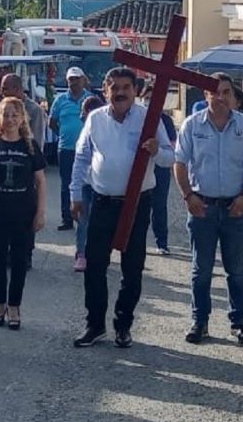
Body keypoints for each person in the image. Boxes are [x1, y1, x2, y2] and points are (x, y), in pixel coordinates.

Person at [70, 67, 173, 349]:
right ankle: (95, 324)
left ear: (135, 90)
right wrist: (75, 195)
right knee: (94, 265)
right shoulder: (95, 119)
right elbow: (81, 158)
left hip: (137, 204)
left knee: (132, 268)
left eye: (126, 87)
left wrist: (156, 151)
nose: (120, 92)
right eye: (114, 87)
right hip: (102, 202)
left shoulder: (148, 119)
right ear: (105, 91)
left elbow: (170, 156)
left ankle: (123, 325)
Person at [174, 73, 243, 346]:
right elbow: (179, 162)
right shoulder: (191, 125)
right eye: (215, 92)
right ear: (205, 95)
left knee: (235, 269)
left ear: (233, 96)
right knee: (201, 269)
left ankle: (239, 323)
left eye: (225, 92)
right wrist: (188, 196)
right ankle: (200, 322)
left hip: (235, 207)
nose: (220, 97)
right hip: (203, 208)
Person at [0, 98, 46, 330]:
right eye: (6, 114)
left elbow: (41, 181)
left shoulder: (30, 146)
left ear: (22, 118)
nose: (10, 119)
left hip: (23, 210)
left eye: (15, 115)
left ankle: (14, 305)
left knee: (18, 260)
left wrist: (40, 213)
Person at [139, 81, 179, 256]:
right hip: (140, 167)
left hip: (160, 167)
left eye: (152, 99)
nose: (149, 102)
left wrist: (158, 151)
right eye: (146, 98)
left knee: (159, 205)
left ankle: (161, 242)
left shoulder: (166, 121)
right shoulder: (137, 117)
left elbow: (171, 146)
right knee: (140, 206)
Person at [51, 67, 92, 232]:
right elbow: (52, 122)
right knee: (66, 184)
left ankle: (85, 216)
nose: (73, 82)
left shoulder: (91, 99)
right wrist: (62, 133)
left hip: (87, 150)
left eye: (76, 79)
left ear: (83, 80)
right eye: (70, 79)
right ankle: (66, 219)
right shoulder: (60, 100)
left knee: (87, 183)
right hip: (66, 149)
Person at [72, 94, 105, 272]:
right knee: (83, 220)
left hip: (102, 184)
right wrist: (74, 192)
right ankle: (81, 253)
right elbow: (79, 163)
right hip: (86, 183)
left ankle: (96, 252)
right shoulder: (84, 132)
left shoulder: (107, 129)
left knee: (99, 221)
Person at [0, 73, 46, 144]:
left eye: (5, 89)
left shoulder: (34, 110)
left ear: (17, 89)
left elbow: (37, 141)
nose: (1, 92)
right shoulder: (3, 107)